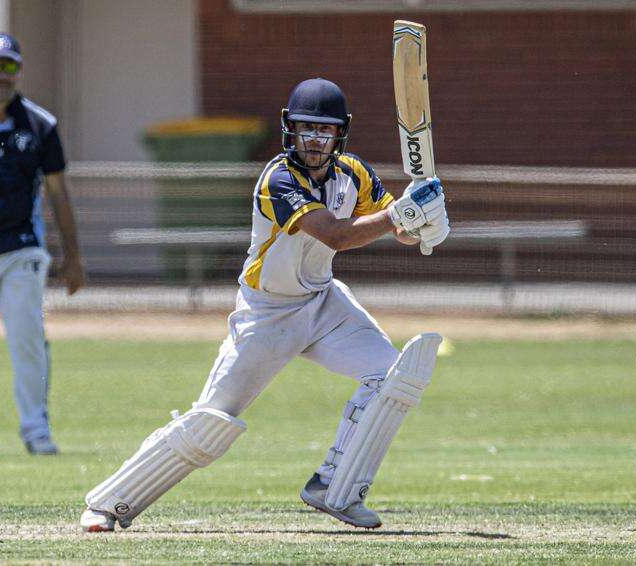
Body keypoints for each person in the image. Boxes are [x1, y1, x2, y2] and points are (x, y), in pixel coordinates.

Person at [79, 78, 449, 531]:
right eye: (305, 129)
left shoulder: (354, 173)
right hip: (267, 314)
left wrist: (426, 223)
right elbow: (336, 233)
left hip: (324, 302)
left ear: (340, 134)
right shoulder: (277, 179)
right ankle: (108, 502)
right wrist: (401, 215)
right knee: (210, 423)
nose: (314, 140)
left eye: (324, 131)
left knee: (393, 377)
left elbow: (400, 229)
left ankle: (335, 489)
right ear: (289, 130)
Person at [0, 33, 85, 455]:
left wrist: (73, 257)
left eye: (10, 67)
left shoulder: (41, 125)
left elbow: (59, 192)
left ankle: (36, 430)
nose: (2, 76)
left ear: (19, 70)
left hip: (22, 248)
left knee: (27, 337)